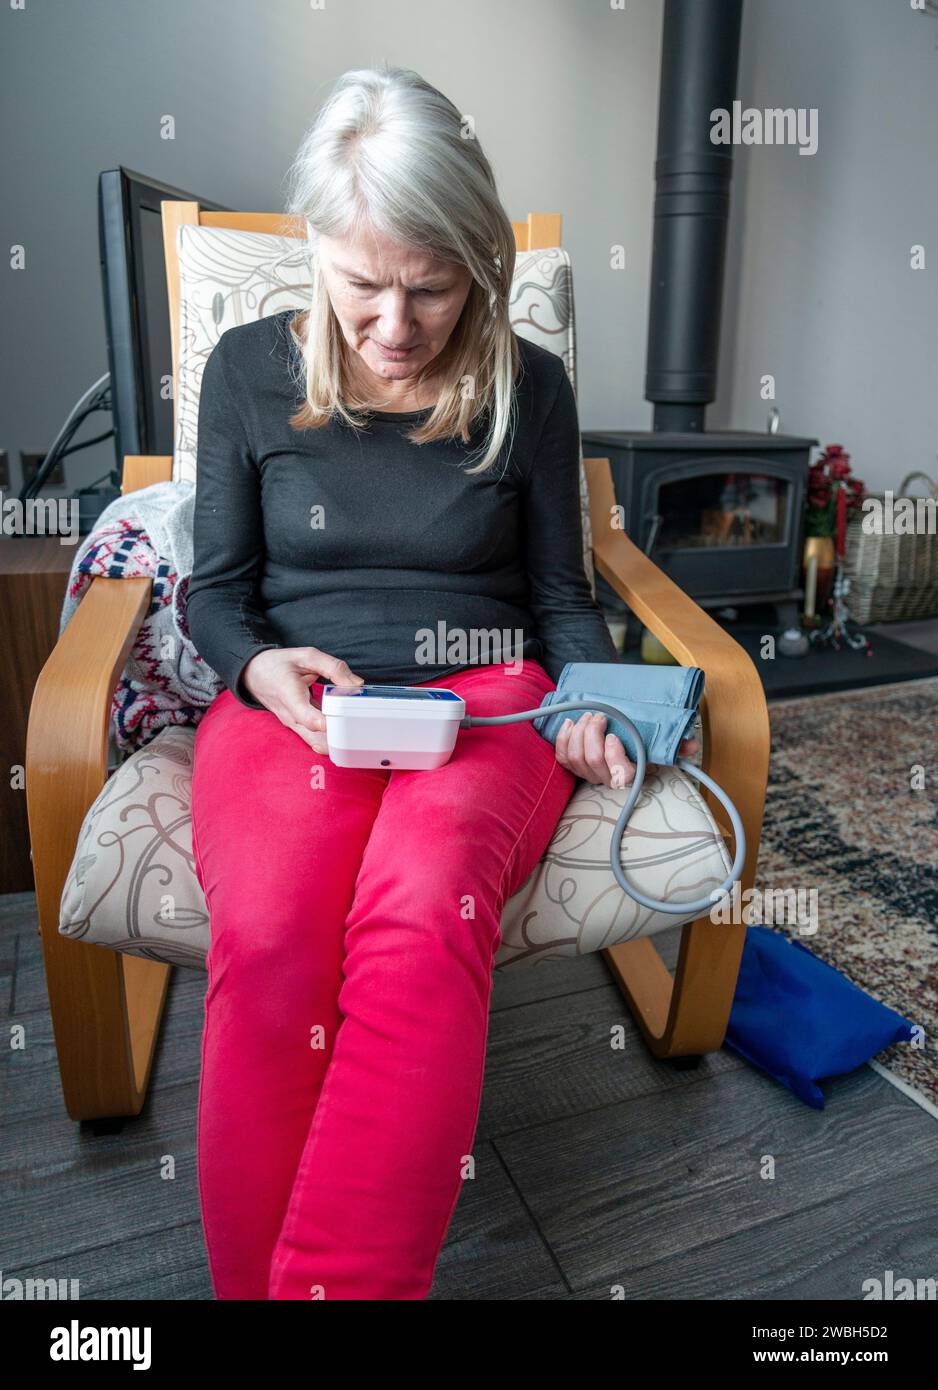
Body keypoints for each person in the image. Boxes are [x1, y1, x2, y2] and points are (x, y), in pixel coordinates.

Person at [185, 63, 697, 1302]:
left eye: (431, 287)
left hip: (490, 701)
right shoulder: (247, 373)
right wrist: (261, 665)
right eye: (363, 285)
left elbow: (563, 597)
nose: (396, 326)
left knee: (420, 917)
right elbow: (211, 592)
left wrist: (590, 700)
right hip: (298, 698)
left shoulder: (530, 384)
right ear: (316, 252)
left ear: (478, 263)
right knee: (268, 936)